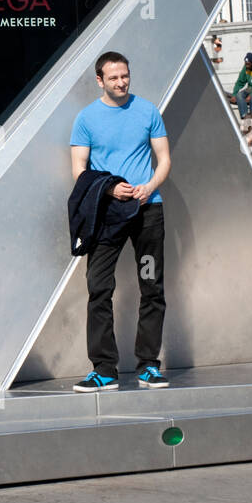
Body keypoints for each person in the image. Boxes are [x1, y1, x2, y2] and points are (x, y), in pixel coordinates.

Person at [69, 51, 171, 392]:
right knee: (99, 287)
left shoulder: (148, 111)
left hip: (147, 212)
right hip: (107, 216)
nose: (121, 82)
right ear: (100, 80)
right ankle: (104, 369)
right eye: (113, 78)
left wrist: (149, 188)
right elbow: (79, 171)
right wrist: (111, 188)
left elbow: (164, 159)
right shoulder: (86, 118)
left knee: (151, 286)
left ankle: (148, 366)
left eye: (125, 75)